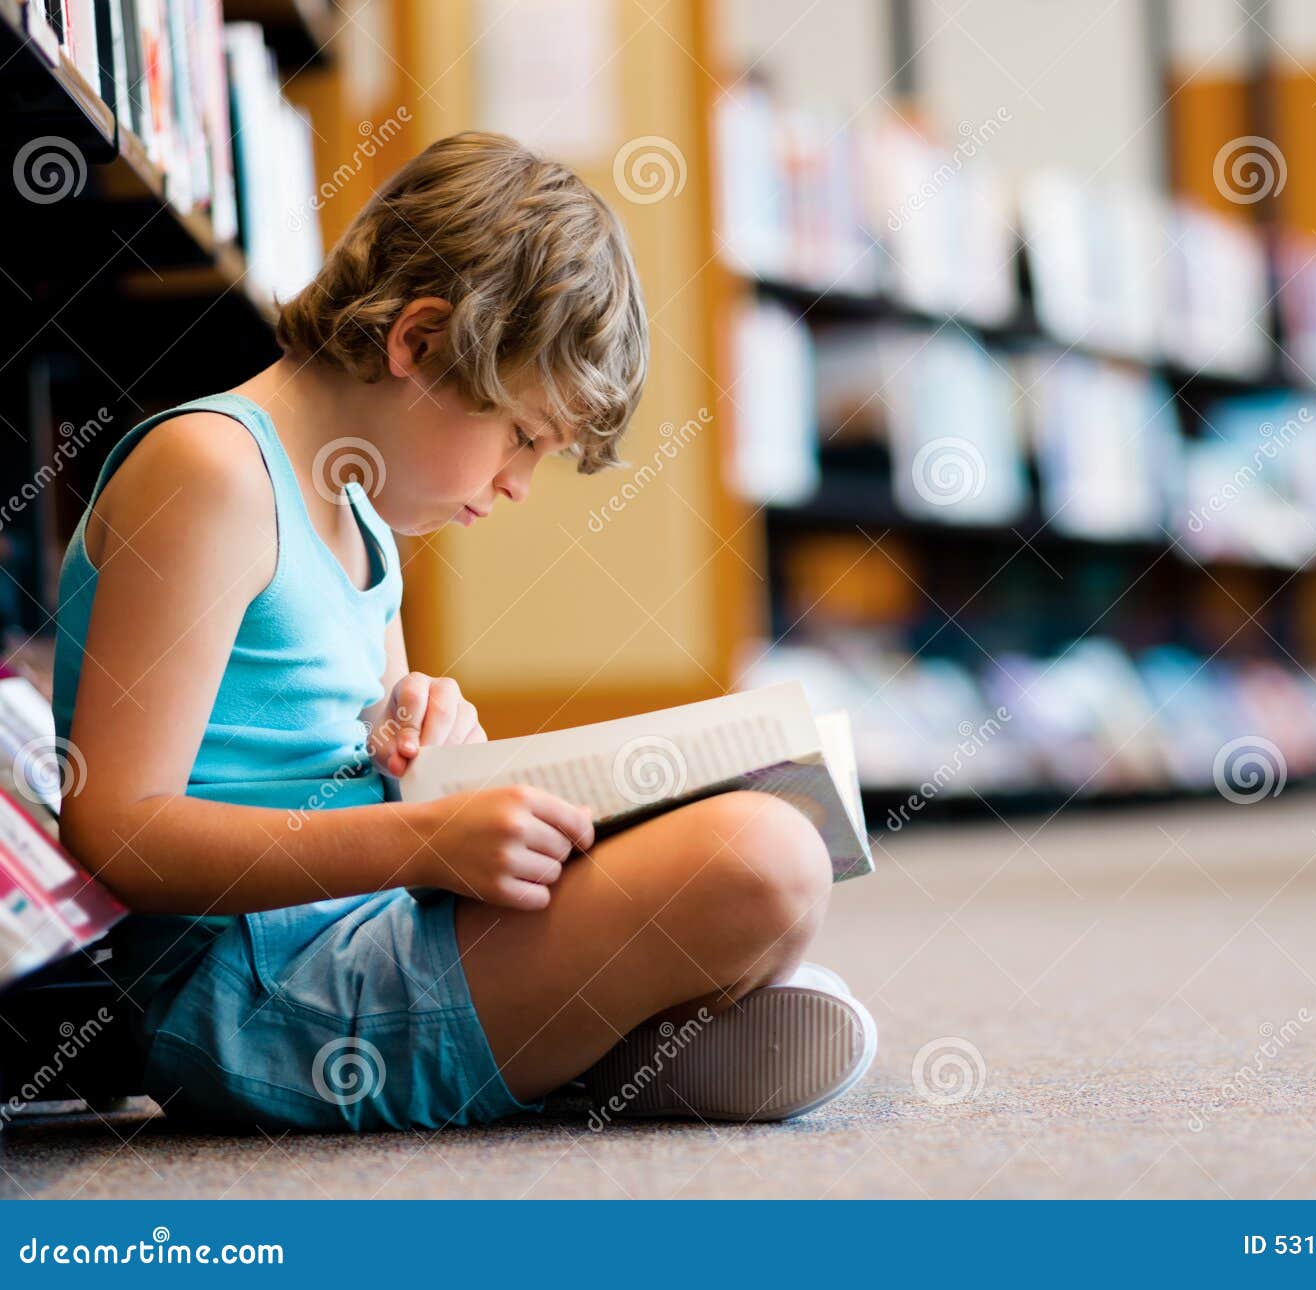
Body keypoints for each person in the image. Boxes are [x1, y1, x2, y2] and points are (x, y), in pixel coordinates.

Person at [51, 132, 875, 1132]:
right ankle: (613, 1048)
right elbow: (118, 829)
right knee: (759, 863)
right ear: (421, 342)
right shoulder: (208, 472)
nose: (520, 485)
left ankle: (602, 1046)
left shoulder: (360, 523)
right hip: (246, 991)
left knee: (757, 852)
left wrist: (423, 748)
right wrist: (422, 838)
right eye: (523, 436)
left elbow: (356, 767)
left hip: (369, 923)